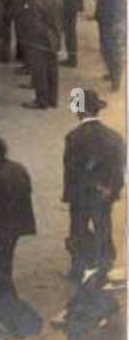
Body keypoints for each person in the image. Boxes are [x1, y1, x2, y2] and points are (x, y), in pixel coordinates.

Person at [62, 89, 125, 279]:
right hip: (104, 196)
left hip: (81, 195)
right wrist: (112, 189)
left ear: (80, 111)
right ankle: (104, 266)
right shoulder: (114, 136)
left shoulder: (74, 137)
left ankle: (78, 268)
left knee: (78, 229)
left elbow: (73, 170)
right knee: (103, 227)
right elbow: (119, 168)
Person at [0, 135, 35, 284]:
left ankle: (0, 288)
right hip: (18, 222)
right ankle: (4, 284)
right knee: (7, 255)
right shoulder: (18, 167)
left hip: (1, 224)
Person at [20, 0, 63, 109]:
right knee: (52, 70)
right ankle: (52, 99)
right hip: (53, 39)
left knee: (39, 70)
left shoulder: (37, 2)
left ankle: (41, 101)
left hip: (39, 41)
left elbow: (36, 24)